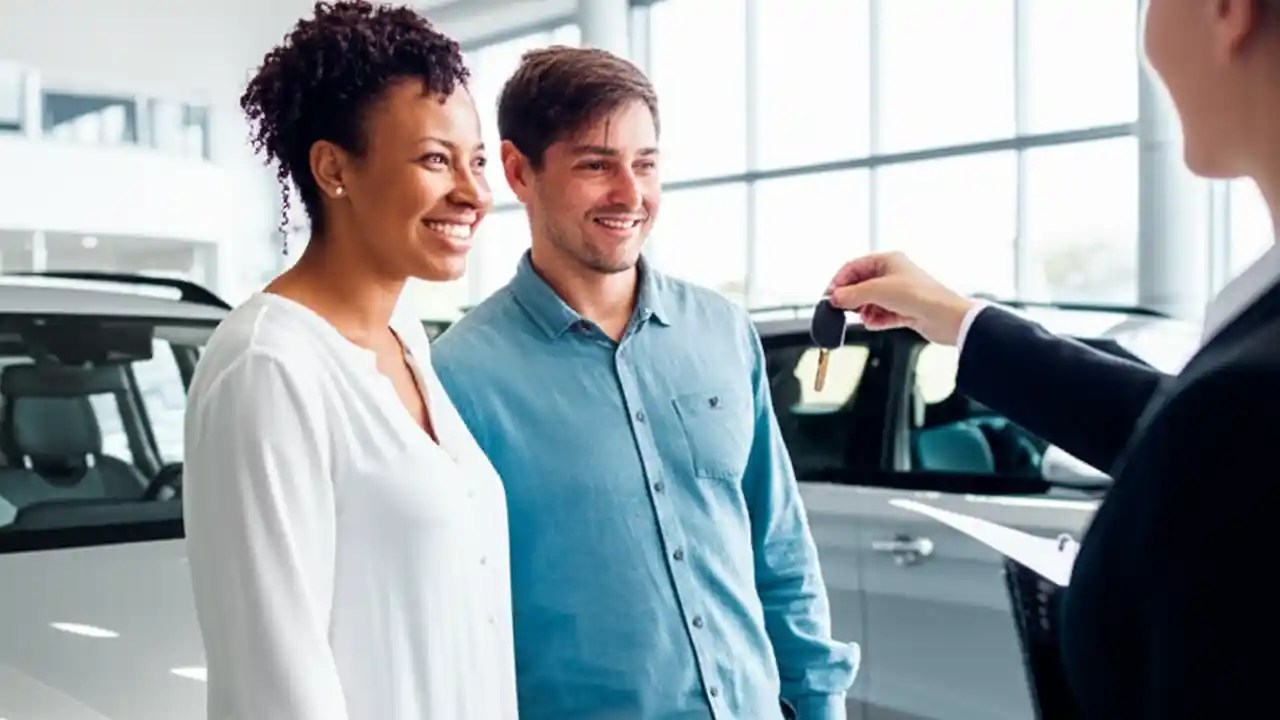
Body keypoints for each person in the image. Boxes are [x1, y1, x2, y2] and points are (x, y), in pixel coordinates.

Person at [824, 0, 1280, 717]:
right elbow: (1176, 425)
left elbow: (1216, 437)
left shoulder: (1249, 394)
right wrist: (960, 320)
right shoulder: (1245, 383)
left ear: (1228, 11)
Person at [431, 46, 859, 720]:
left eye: (646, 164)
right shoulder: (456, 379)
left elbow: (779, 548)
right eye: (596, 165)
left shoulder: (722, 331)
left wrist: (819, 703)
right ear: (518, 171)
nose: (630, 195)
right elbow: (450, 622)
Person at [181, 3, 516, 718]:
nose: (474, 193)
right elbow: (276, 681)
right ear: (334, 169)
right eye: (435, 159)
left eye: (477, 160)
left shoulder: (405, 340)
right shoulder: (269, 367)